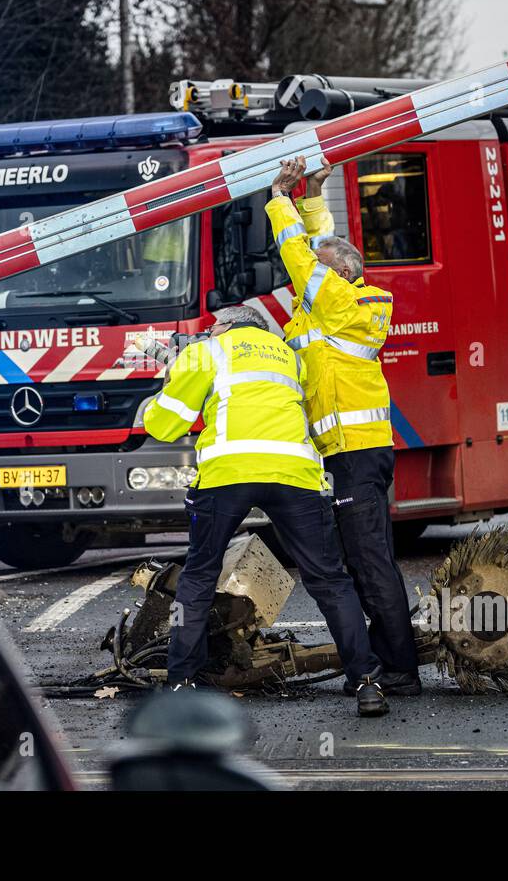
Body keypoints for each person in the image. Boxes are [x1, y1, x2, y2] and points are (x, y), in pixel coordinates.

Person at [141, 305, 390, 717]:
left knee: (200, 573)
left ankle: (182, 682)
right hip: (295, 473)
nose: (208, 330)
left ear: (227, 327)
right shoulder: (289, 356)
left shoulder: (209, 352)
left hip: (229, 472)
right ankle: (366, 683)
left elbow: (165, 424)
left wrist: (166, 384)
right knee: (329, 579)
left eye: (213, 325)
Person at [264, 155, 422, 697]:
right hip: (353, 451)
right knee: (364, 558)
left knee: (370, 559)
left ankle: (400, 668)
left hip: (354, 452)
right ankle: (390, 657)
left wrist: (279, 198)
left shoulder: (335, 302)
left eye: (323, 266)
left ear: (342, 275)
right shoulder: (335, 302)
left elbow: (300, 256)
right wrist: (312, 197)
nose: (314, 268)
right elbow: (320, 244)